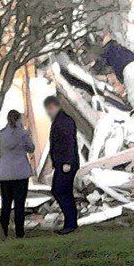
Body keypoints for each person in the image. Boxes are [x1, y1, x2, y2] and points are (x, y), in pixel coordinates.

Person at [0, 110, 35, 238]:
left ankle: (3, 232)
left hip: (4, 174)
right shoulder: (23, 134)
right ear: (19, 119)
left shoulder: (0, 134)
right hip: (20, 173)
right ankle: (19, 232)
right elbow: (31, 148)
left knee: (5, 204)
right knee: (19, 204)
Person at [45, 96, 79, 234]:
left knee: (59, 191)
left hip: (66, 163)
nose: (48, 113)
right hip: (62, 162)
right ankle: (70, 222)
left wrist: (67, 162)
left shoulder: (63, 121)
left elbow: (68, 142)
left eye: (49, 109)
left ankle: (71, 223)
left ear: (54, 107)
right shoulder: (61, 120)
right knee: (64, 192)